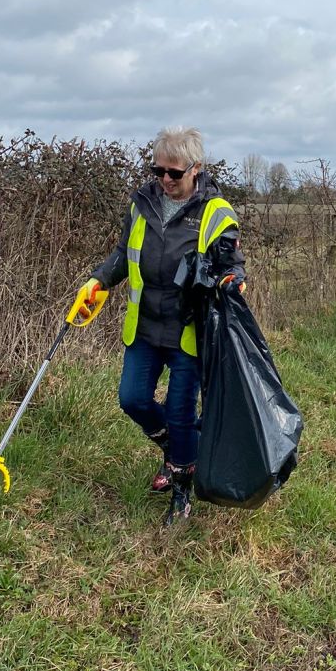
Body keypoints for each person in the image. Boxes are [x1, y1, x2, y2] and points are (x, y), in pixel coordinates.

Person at [81, 126, 245, 521]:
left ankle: (182, 493)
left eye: (174, 173)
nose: (165, 180)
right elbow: (123, 254)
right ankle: (178, 449)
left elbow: (231, 264)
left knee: (181, 410)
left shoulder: (216, 212)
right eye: (158, 171)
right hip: (144, 326)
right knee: (132, 399)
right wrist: (98, 280)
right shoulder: (142, 204)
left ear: (196, 168)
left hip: (188, 331)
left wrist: (232, 280)